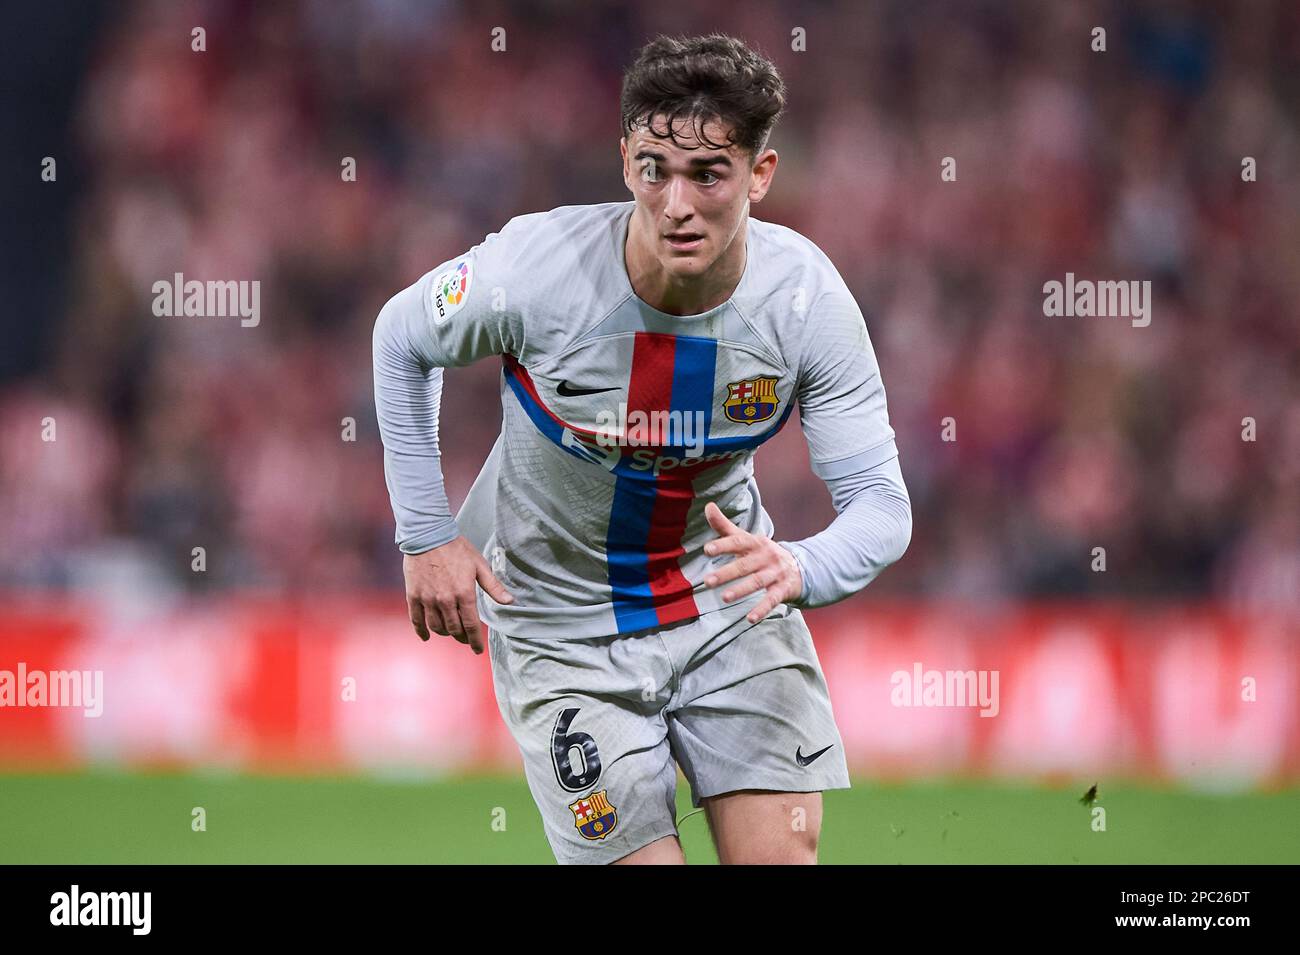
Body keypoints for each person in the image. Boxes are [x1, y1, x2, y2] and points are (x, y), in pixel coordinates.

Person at [372, 33, 911, 864]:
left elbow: (881, 505)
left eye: (709, 174)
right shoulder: (537, 271)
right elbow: (400, 336)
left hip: (725, 603)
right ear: (625, 160)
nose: (677, 203)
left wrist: (800, 565)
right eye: (655, 168)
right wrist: (425, 535)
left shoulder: (805, 303)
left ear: (760, 176)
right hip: (559, 624)